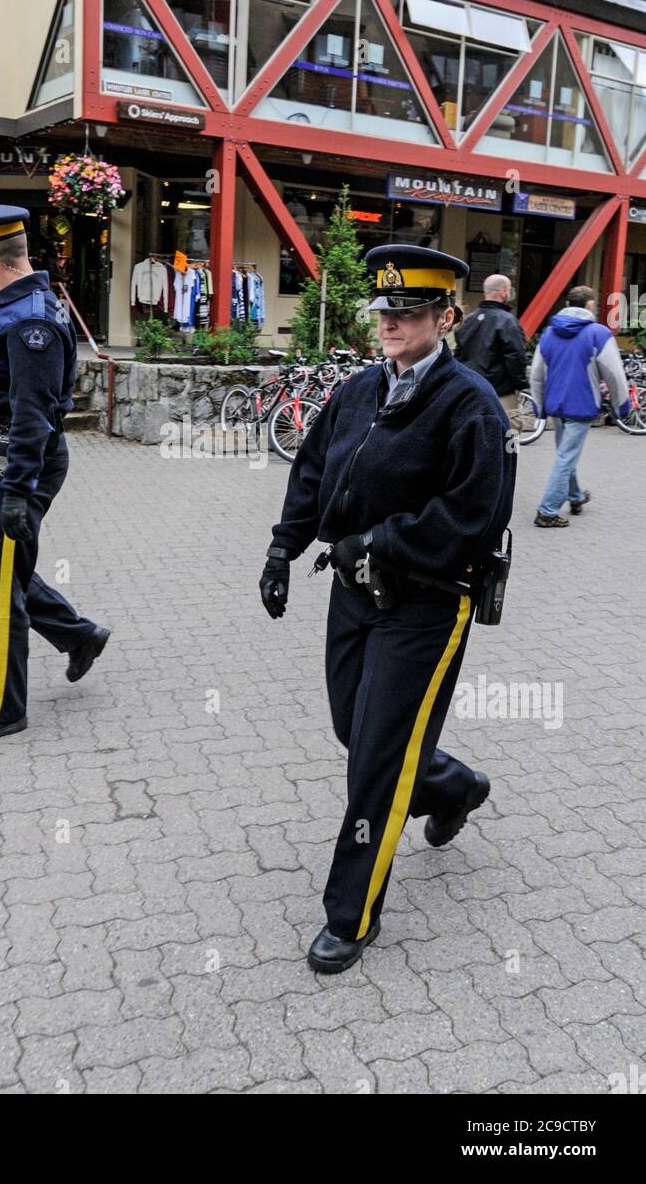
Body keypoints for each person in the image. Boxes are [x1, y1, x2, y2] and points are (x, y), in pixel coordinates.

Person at [260, 246, 516, 974]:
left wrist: (377, 539)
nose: (391, 324)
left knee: (375, 760)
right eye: (384, 312)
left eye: (408, 313)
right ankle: (455, 785)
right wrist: (283, 547)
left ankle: (351, 912)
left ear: (446, 316)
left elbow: (471, 515)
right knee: (354, 729)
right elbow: (314, 468)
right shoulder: (359, 388)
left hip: (425, 605)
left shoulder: (468, 404)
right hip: (352, 595)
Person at [0, 205, 109, 749]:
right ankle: (79, 635)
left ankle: (0, 709)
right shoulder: (21, 306)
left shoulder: (28, 321)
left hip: (15, 462)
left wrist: (17, 490)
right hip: (1, 456)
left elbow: (34, 414)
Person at [531, 285, 631, 528]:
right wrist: (622, 406)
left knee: (565, 455)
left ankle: (575, 497)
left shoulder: (548, 333)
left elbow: (536, 373)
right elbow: (615, 375)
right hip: (582, 405)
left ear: (567, 304)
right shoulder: (599, 333)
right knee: (566, 458)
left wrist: (539, 405)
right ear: (589, 305)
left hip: (556, 405)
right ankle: (547, 511)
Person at [454, 274, 529, 429]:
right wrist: (519, 384)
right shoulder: (507, 320)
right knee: (509, 434)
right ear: (503, 292)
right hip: (501, 390)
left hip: (472, 389)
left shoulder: (469, 320)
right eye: (509, 289)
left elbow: (459, 354)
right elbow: (516, 356)